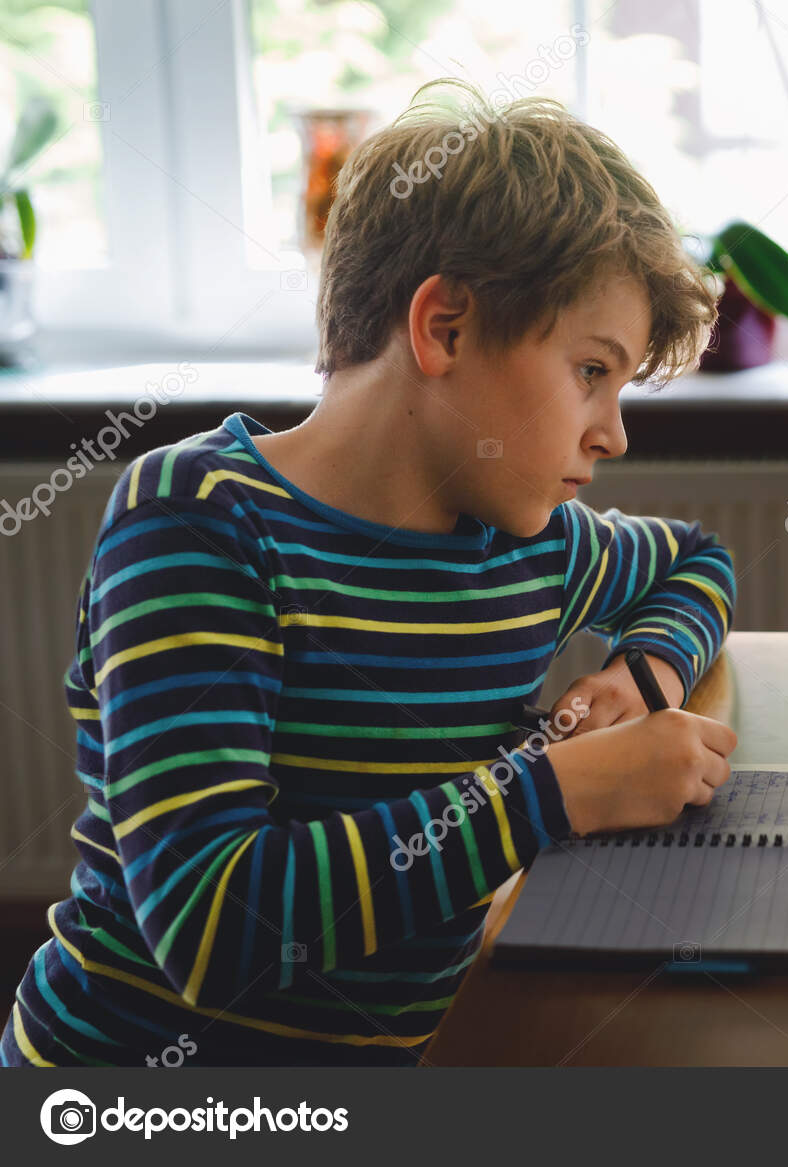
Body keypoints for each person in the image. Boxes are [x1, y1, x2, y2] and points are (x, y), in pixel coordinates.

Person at [2, 79, 737, 1066]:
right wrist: (552, 791)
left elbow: (696, 559)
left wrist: (646, 669)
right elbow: (212, 928)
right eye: (591, 371)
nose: (610, 434)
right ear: (445, 328)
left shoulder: (531, 545)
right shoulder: (198, 522)